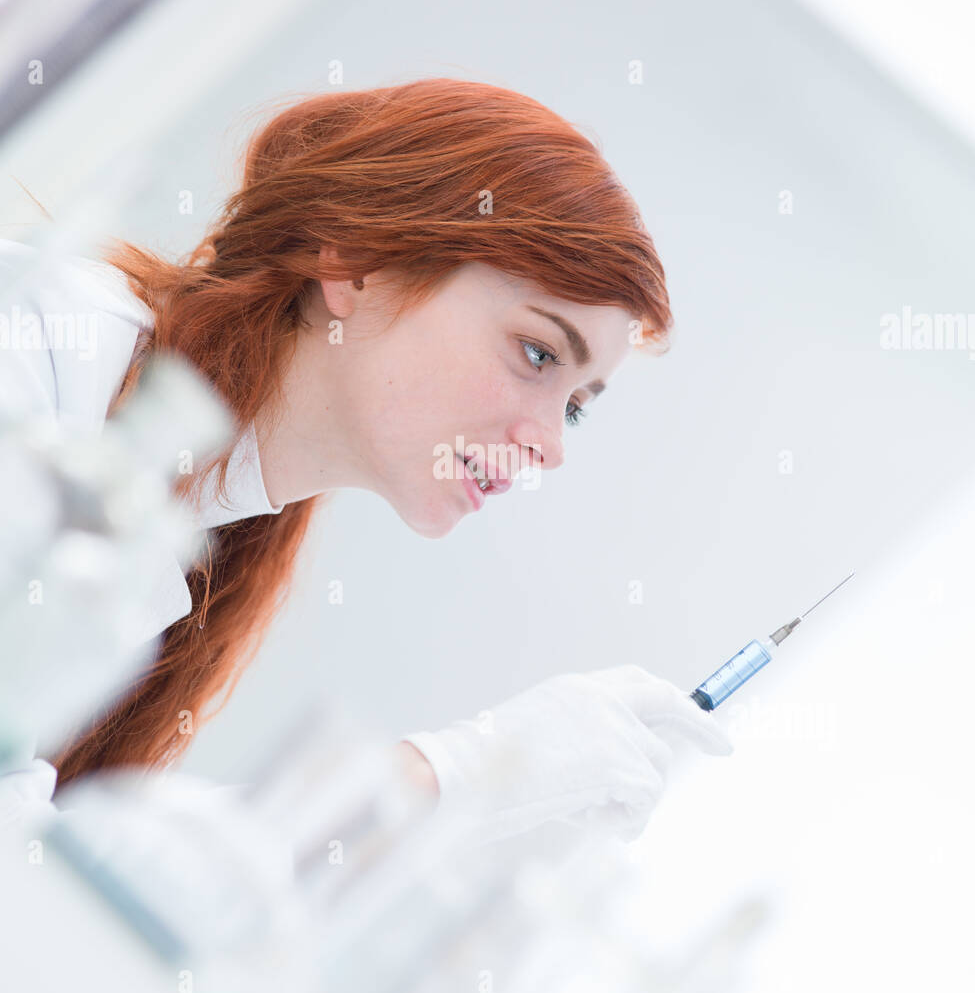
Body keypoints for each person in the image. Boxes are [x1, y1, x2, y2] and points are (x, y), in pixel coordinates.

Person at [0, 78, 730, 842]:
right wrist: (449, 780)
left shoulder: (218, 533)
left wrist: (455, 798)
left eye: (577, 405)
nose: (548, 443)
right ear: (352, 265)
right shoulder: (36, 348)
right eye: (537, 352)